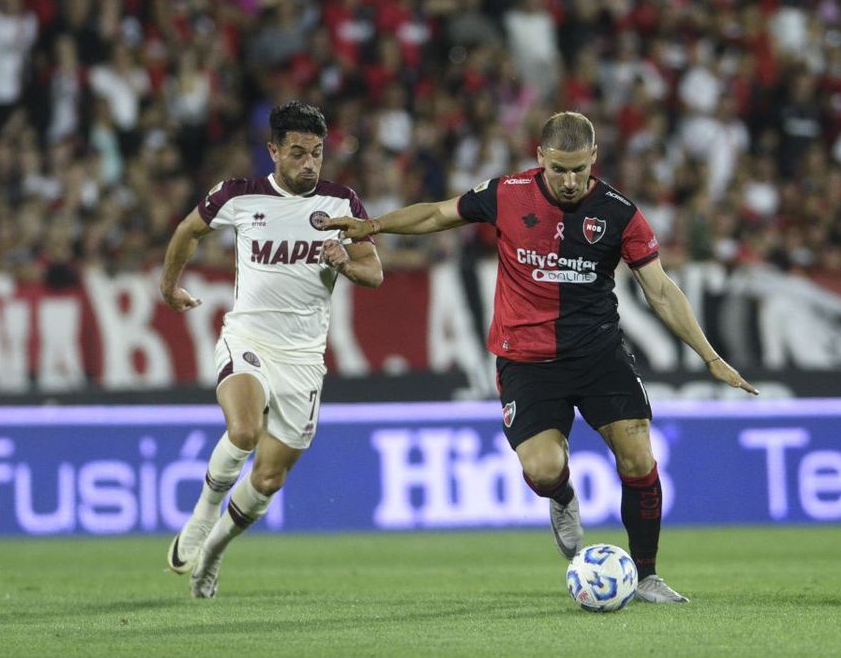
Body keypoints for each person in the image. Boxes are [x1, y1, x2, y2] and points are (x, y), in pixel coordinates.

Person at [323, 111, 757, 604]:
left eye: (579, 169)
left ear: (594, 158)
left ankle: (647, 574)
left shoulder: (620, 212)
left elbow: (660, 290)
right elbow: (439, 214)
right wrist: (374, 224)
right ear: (540, 159)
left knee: (638, 456)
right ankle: (562, 498)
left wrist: (710, 357)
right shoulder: (507, 193)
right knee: (545, 468)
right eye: (559, 169)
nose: (570, 181)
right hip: (525, 360)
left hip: (598, 354)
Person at [159, 101, 383, 598]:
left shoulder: (342, 203)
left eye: (318, 154)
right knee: (243, 430)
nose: (310, 163)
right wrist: (169, 287)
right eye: (299, 153)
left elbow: (374, 272)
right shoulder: (239, 195)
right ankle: (201, 515)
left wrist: (344, 262)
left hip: (303, 359)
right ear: (274, 151)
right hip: (249, 339)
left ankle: (214, 551)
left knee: (267, 479)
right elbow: (187, 231)